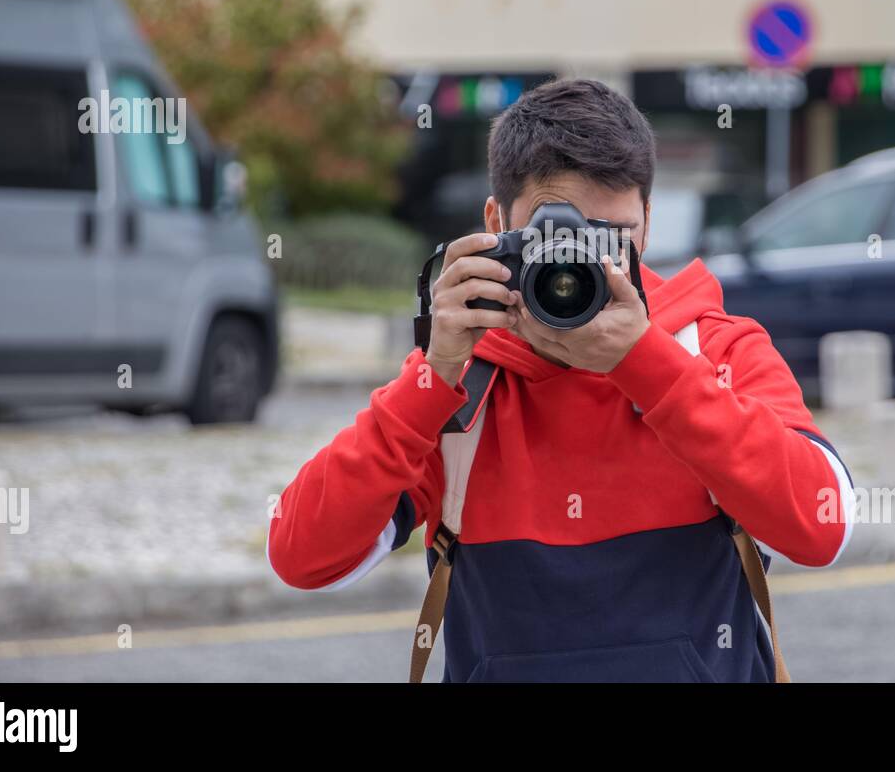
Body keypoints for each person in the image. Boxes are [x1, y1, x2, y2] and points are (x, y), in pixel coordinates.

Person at [268, 78, 853, 682]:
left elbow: (822, 527)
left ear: (647, 224)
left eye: (609, 239)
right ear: (496, 220)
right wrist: (432, 373)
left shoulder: (713, 349)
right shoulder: (462, 389)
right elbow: (302, 557)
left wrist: (648, 366)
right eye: (558, 239)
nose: (584, 267)